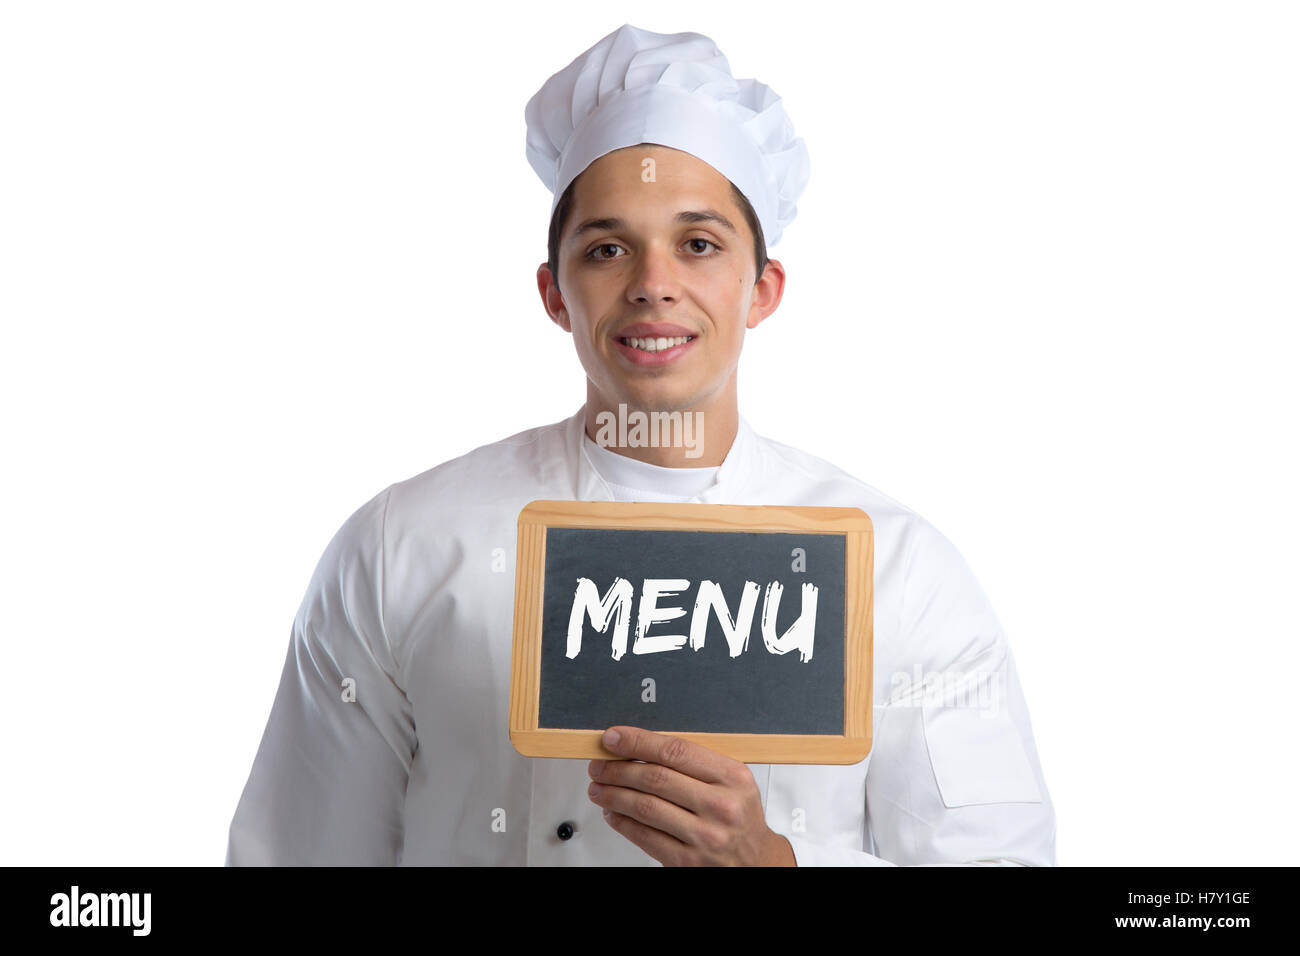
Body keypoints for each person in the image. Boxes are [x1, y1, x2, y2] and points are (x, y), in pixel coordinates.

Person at [225, 23, 1056, 866]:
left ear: (760, 290)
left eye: (699, 245)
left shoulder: (898, 574)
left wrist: (775, 864)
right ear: (555, 294)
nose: (654, 284)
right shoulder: (402, 546)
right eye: (608, 248)